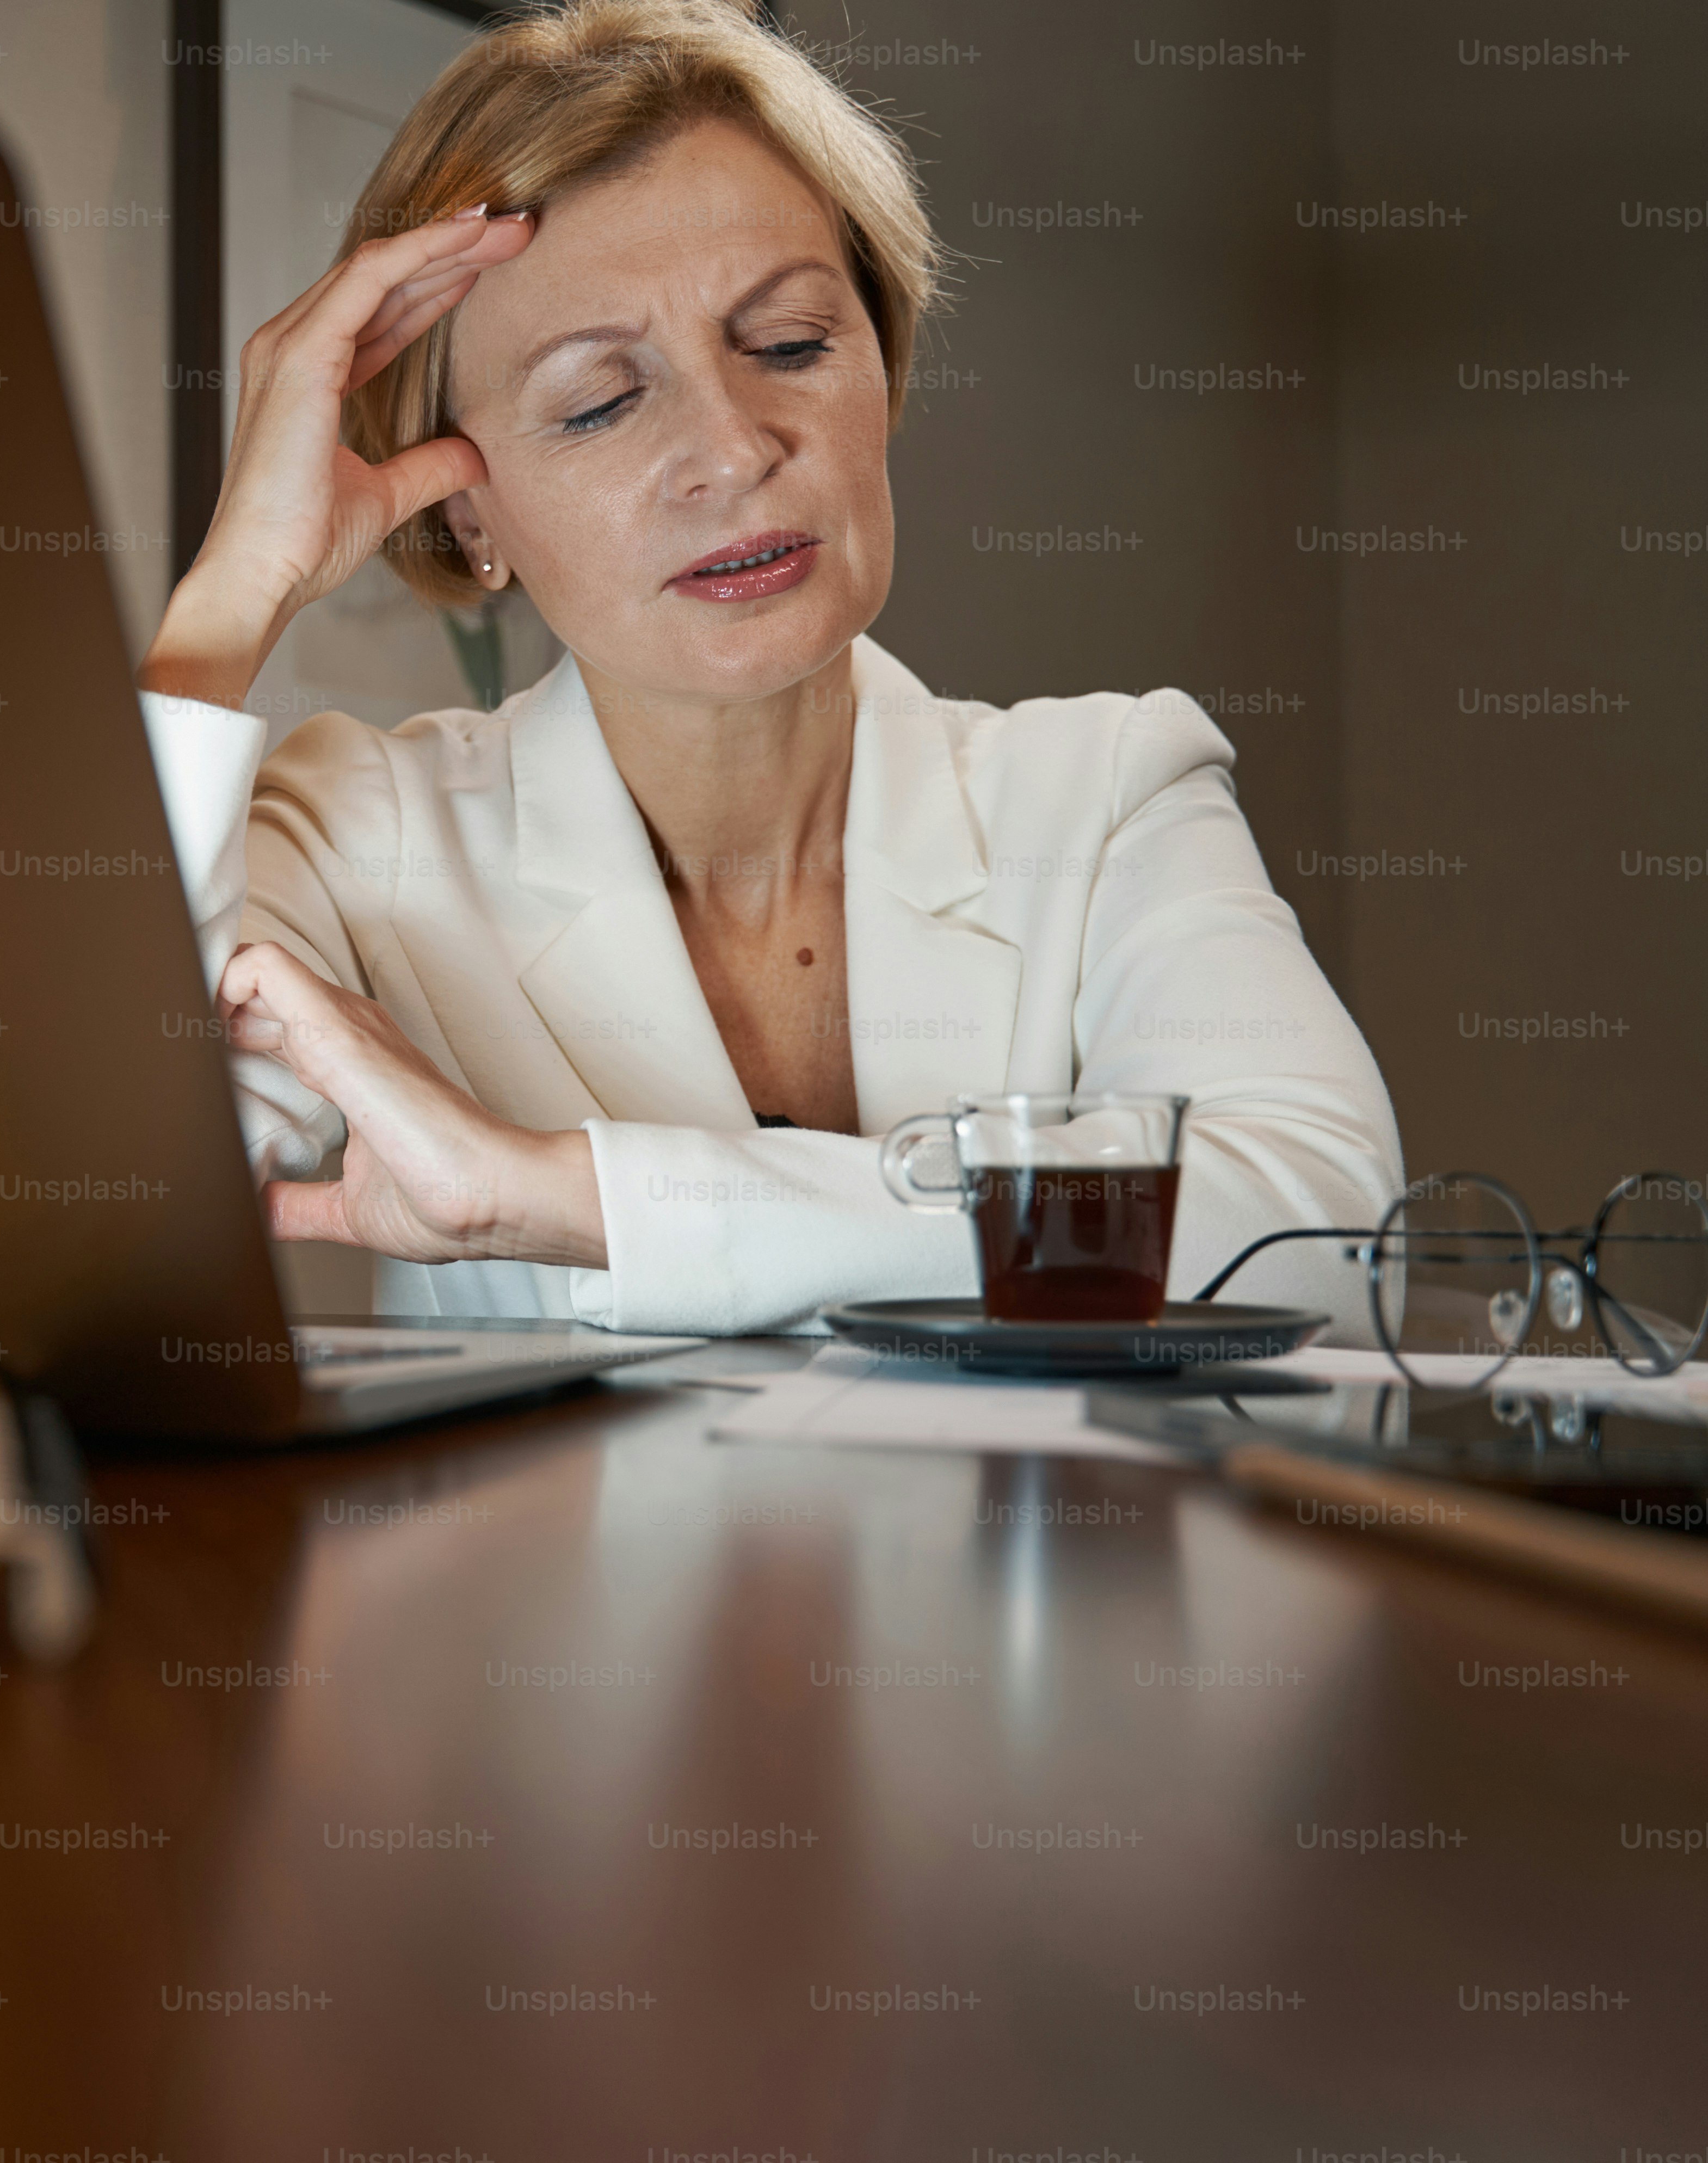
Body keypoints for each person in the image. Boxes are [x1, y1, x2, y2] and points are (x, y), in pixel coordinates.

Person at [135, 0, 1400, 1338]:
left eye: (792, 345)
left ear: (884, 369)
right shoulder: (357, 834)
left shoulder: (1109, 793)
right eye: (600, 401)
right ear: (467, 510)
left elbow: (1313, 1232)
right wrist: (231, 593)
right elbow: (118, 1166)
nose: (734, 449)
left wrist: (575, 1198)